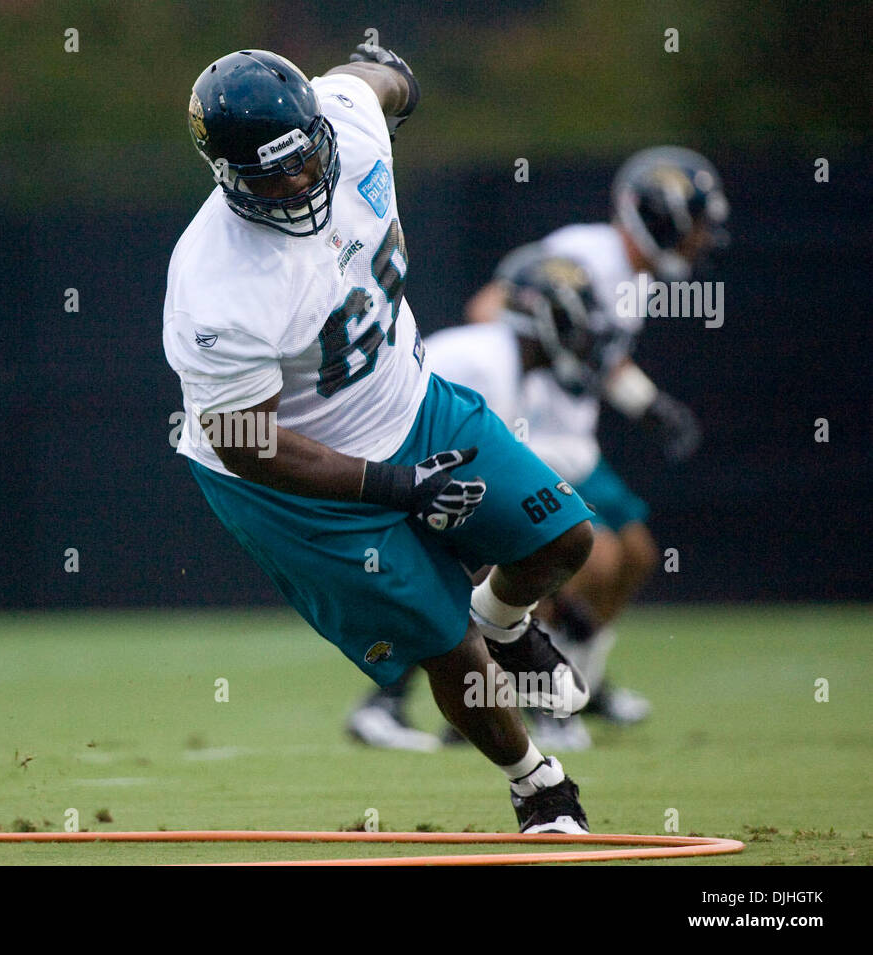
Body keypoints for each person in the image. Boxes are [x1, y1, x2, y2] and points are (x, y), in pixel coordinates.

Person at [163, 45, 595, 833]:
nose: (297, 184)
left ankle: (506, 622)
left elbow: (381, 79)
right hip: (285, 479)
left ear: (321, 129)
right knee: (442, 638)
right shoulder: (214, 285)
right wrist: (396, 488)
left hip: (407, 396)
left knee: (564, 541)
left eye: (303, 160)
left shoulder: (351, 119)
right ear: (224, 177)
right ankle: (537, 785)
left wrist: (391, 71)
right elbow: (247, 442)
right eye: (270, 177)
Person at [349, 148, 729, 750]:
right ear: (664, 216)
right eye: (698, 221)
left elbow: (599, 354)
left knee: (630, 554)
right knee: (573, 558)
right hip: (522, 432)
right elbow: (495, 308)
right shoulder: (583, 259)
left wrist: (644, 401)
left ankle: (569, 680)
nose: (705, 237)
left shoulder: (637, 279)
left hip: (556, 430)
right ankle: (523, 693)